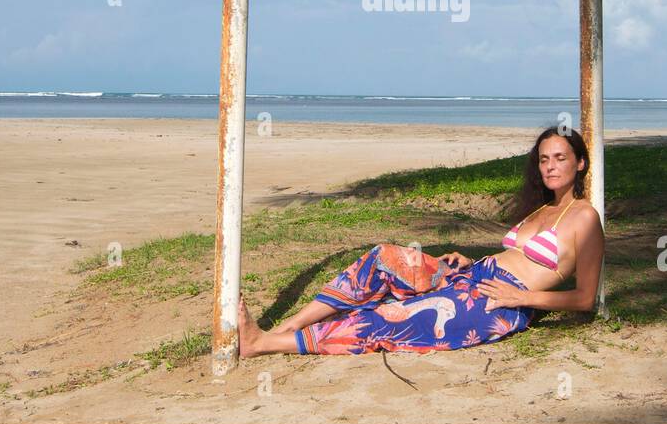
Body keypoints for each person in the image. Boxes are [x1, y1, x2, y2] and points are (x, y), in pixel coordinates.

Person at [237, 125, 605, 356]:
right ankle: (293, 324)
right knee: (384, 257)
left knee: (388, 319)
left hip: (498, 303)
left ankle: (264, 343)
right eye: (544, 160)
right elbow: (517, 255)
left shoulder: (584, 217)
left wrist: (524, 299)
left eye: (560, 158)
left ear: (581, 164)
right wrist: (470, 261)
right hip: (473, 276)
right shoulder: (539, 210)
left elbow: (585, 298)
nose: (551, 167)